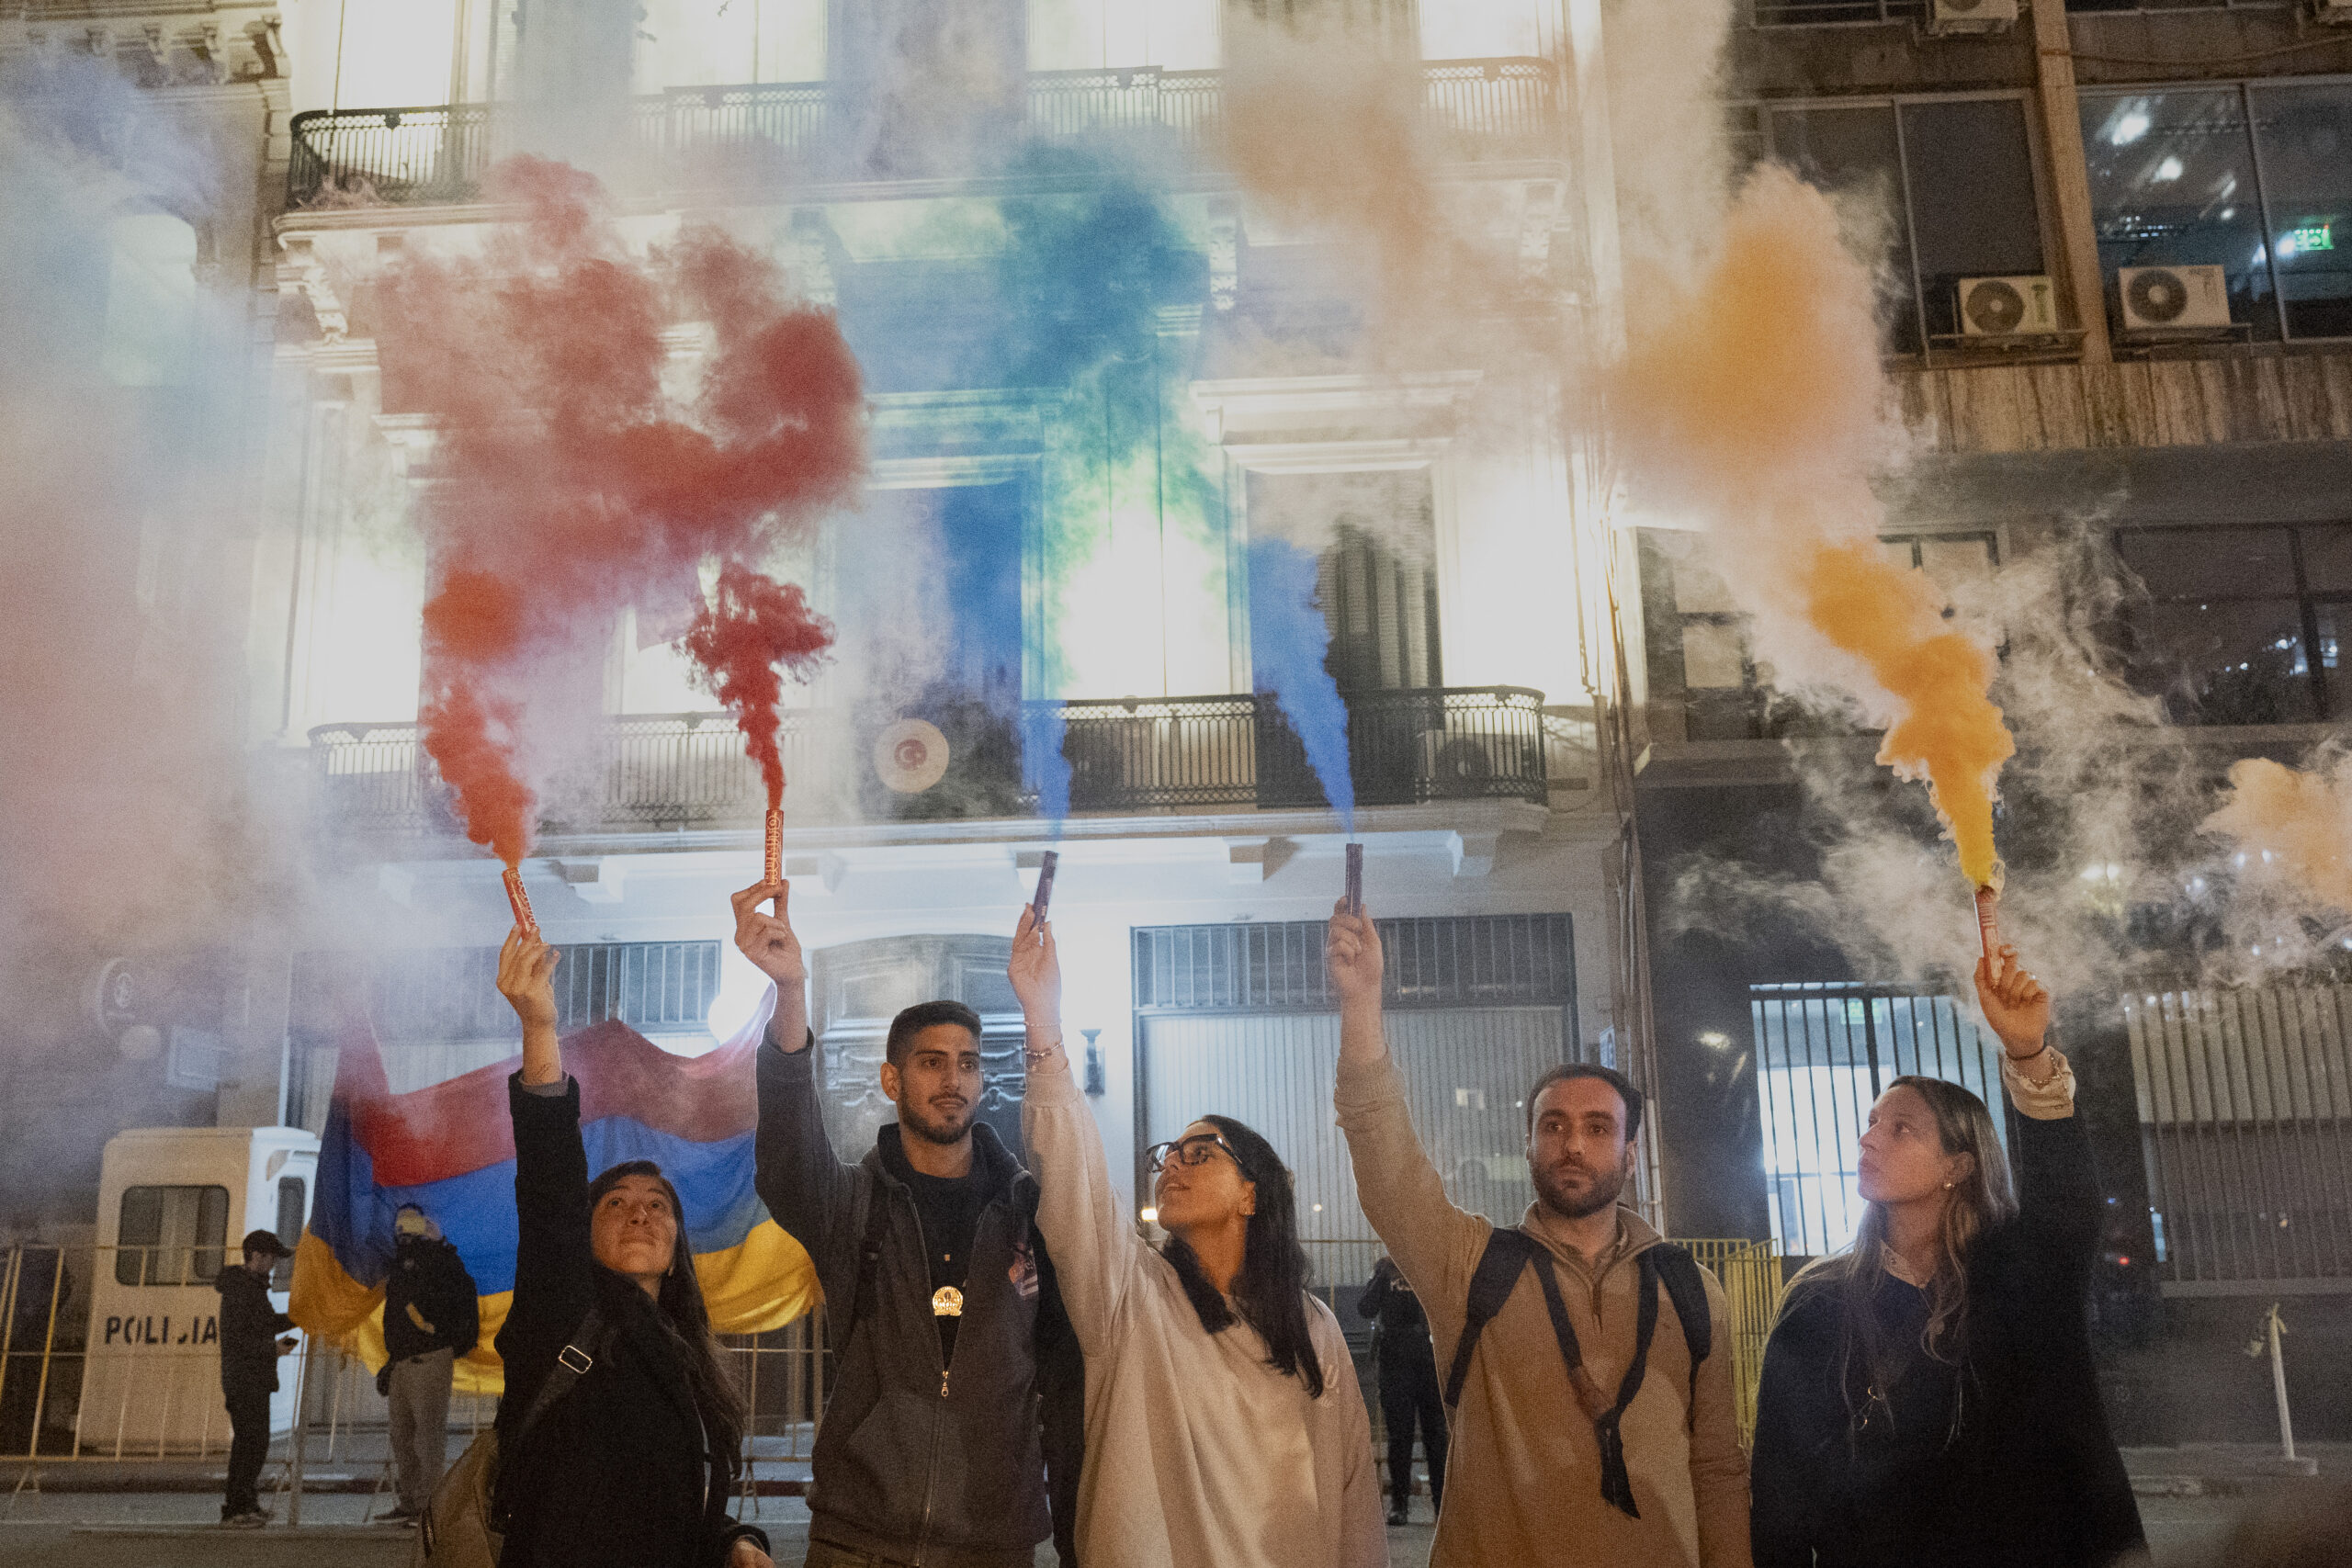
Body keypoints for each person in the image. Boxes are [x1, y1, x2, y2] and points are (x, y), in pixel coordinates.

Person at [1328, 902, 1749, 1568]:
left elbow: (1718, 1469)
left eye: (1597, 1127)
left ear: (1632, 1154)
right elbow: (1386, 1167)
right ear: (1528, 1145)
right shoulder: (1469, 1267)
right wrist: (1362, 1003)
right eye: (1553, 1125)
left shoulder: (1691, 1291)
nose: (1572, 1144)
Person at [1747, 945, 2146, 1568]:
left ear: (1958, 1165)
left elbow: (2068, 1205)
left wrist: (2028, 1053)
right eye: (1871, 1120)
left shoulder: (2017, 1275)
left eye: (1899, 1127)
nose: (1868, 1136)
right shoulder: (1822, 1299)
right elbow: (1780, 1482)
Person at [1015, 904, 1385, 1568]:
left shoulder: (1314, 1327)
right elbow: (1071, 1185)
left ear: (1252, 1192)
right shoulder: (1132, 1299)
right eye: (1169, 1154)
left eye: (1200, 1151)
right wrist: (1043, 1023)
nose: (1174, 1165)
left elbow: (1354, 1496)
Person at [736, 878, 1069, 1568]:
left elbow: (1066, 1372)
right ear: (892, 1080)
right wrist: (792, 994)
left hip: (994, 1543)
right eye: (932, 1061)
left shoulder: (1028, 1209)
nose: (954, 1079)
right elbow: (789, 1158)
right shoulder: (853, 1205)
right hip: (859, 1539)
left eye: (968, 1064)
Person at [492, 928, 773, 1568]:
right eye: (615, 1203)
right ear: (584, 1236)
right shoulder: (560, 1313)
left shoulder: (685, 1355)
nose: (639, 1212)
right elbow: (550, 1185)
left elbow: (669, 1500)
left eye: (658, 1204)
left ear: (677, 1247)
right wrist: (540, 1027)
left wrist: (734, 1541)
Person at [379, 1201, 479, 1526]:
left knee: (427, 1438)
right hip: (402, 1362)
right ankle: (410, 1503)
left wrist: (440, 1244)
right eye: (400, 1223)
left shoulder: (442, 1261)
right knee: (401, 1436)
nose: (404, 1229)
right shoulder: (399, 1265)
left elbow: (460, 1289)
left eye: (412, 1222)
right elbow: (396, 1316)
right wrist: (390, 1361)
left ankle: (429, 1509)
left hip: (429, 1359)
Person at [215, 1228, 297, 1529]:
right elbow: (236, 1339)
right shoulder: (241, 1289)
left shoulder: (252, 1287)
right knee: (249, 1444)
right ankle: (234, 1509)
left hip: (254, 1378)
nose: (275, 1264)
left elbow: (265, 1324)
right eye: (272, 1258)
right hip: (244, 1378)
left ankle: (247, 1503)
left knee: (256, 1443)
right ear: (258, 1256)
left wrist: (299, 1316)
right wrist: (271, 1348)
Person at [1361, 1255, 1446, 1527]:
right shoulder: (1385, 1271)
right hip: (1395, 1363)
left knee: (1436, 1437)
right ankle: (1399, 1505)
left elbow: (1448, 1306)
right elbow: (1365, 1308)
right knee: (1399, 1437)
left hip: (1430, 1361)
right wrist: (1383, 1274)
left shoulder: (1429, 1265)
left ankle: (1441, 1506)